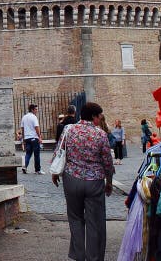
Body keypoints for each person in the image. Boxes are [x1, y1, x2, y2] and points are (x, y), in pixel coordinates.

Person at [51, 102, 114, 261]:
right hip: (94, 181)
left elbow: (59, 150)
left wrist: (55, 173)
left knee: (75, 219)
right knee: (95, 222)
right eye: (99, 116)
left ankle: (79, 256)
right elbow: (107, 162)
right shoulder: (100, 134)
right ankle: (94, 257)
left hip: (72, 179)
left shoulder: (68, 129)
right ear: (93, 117)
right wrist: (109, 182)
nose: (100, 119)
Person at [20, 103, 43, 174]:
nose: (36, 111)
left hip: (27, 138)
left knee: (28, 154)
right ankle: (37, 170)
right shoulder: (34, 117)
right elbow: (37, 127)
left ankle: (24, 166)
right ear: (32, 110)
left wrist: (23, 139)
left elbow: (22, 129)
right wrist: (39, 137)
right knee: (37, 154)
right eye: (36, 109)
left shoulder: (24, 117)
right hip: (34, 138)